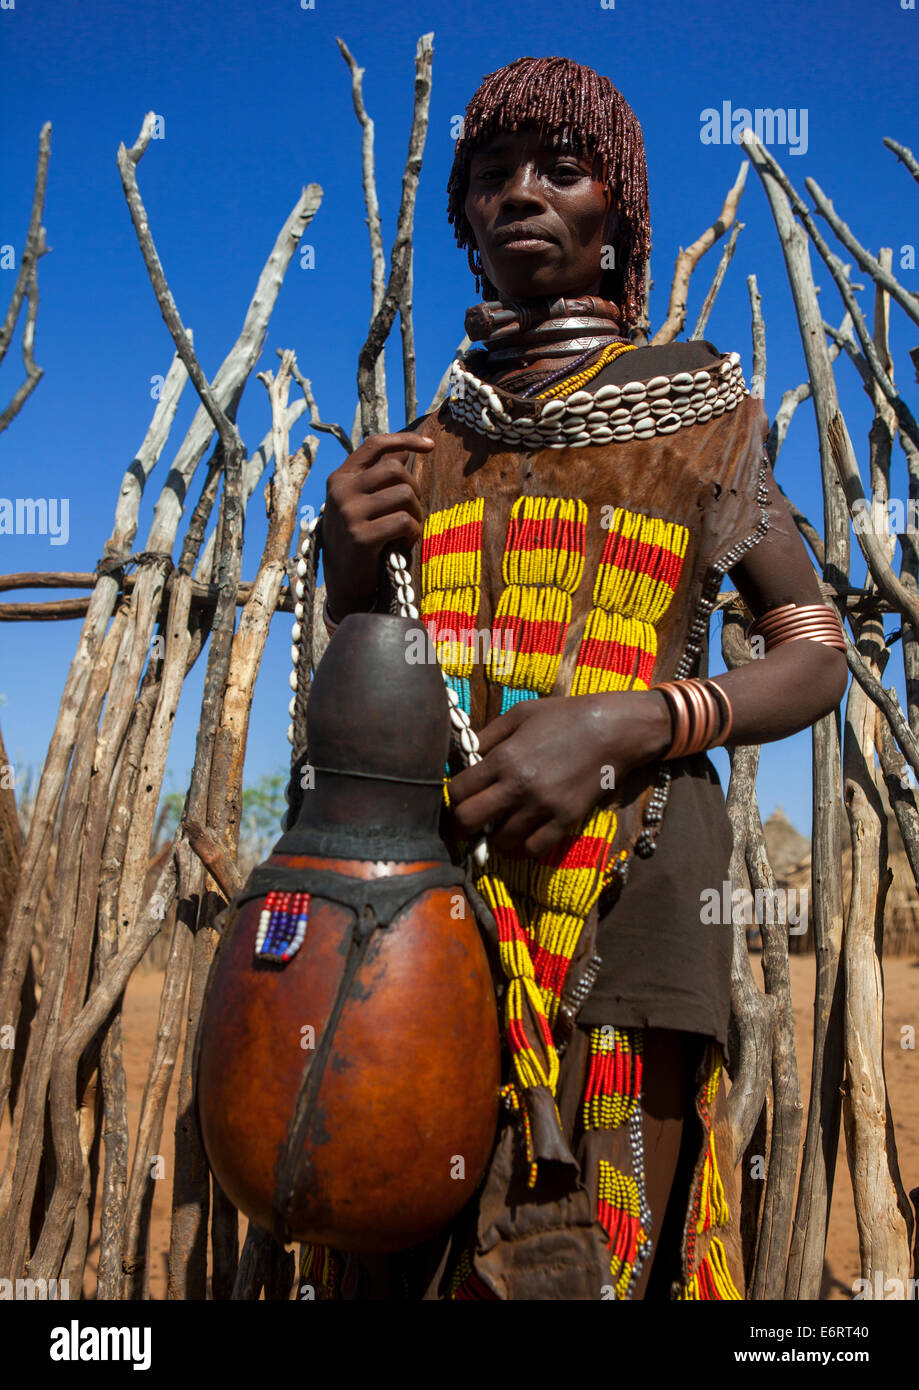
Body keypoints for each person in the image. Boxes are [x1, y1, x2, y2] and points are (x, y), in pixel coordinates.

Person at [310, 56, 847, 1300]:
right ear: (460, 224)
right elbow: (359, 701)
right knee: (397, 1243)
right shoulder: (417, 449)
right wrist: (343, 565)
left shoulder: (698, 410)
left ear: (622, 214)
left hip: (636, 882)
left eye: (563, 168)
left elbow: (813, 647)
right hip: (436, 893)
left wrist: (623, 723)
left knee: (582, 1263)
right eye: (490, 177)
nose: (521, 195)